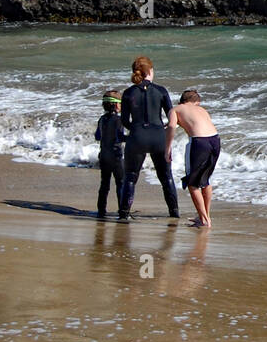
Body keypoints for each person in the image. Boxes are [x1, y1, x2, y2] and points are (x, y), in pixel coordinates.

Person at [118, 56, 180, 220]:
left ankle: (123, 214)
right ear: (150, 71)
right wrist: (164, 127)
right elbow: (171, 115)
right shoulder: (160, 90)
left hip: (137, 136)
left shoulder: (128, 93)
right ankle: (174, 213)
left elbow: (124, 121)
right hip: (158, 136)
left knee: (130, 177)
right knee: (166, 177)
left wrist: (137, 130)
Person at [173, 88, 221, 228]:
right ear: (196, 102)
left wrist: (166, 149)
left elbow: (171, 128)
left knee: (192, 183)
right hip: (215, 140)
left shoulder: (176, 109)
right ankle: (205, 215)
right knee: (206, 180)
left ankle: (204, 220)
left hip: (199, 142)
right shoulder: (203, 111)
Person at [94, 89, 126, 218]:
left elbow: (97, 136)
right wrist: (132, 137)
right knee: (120, 183)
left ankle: (101, 210)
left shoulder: (102, 119)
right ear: (117, 105)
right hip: (116, 155)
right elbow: (119, 138)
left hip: (104, 155)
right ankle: (122, 211)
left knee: (104, 184)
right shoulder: (119, 120)